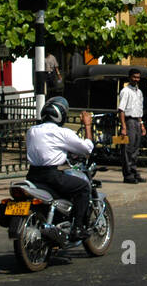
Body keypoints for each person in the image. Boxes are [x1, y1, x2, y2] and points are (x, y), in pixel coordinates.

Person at [26, 97, 96, 244]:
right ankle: (77, 228)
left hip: (32, 175)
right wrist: (88, 125)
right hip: (51, 176)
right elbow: (87, 148)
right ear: (61, 115)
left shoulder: (31, 131)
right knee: (83, 187)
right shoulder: (62, 133)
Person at [117, 68, 147, 184]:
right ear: (130, 77)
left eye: (138, 77)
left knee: (135, 149)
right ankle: (128, 174)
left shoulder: (139, 92)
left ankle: (134, 172)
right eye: (134, 77)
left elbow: (139, 110)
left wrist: (142, 124)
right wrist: (123, 127)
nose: (136, 79)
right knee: (127, 149)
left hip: (137, 121)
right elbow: (121, 110)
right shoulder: (125, 91)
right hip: (129, 122)